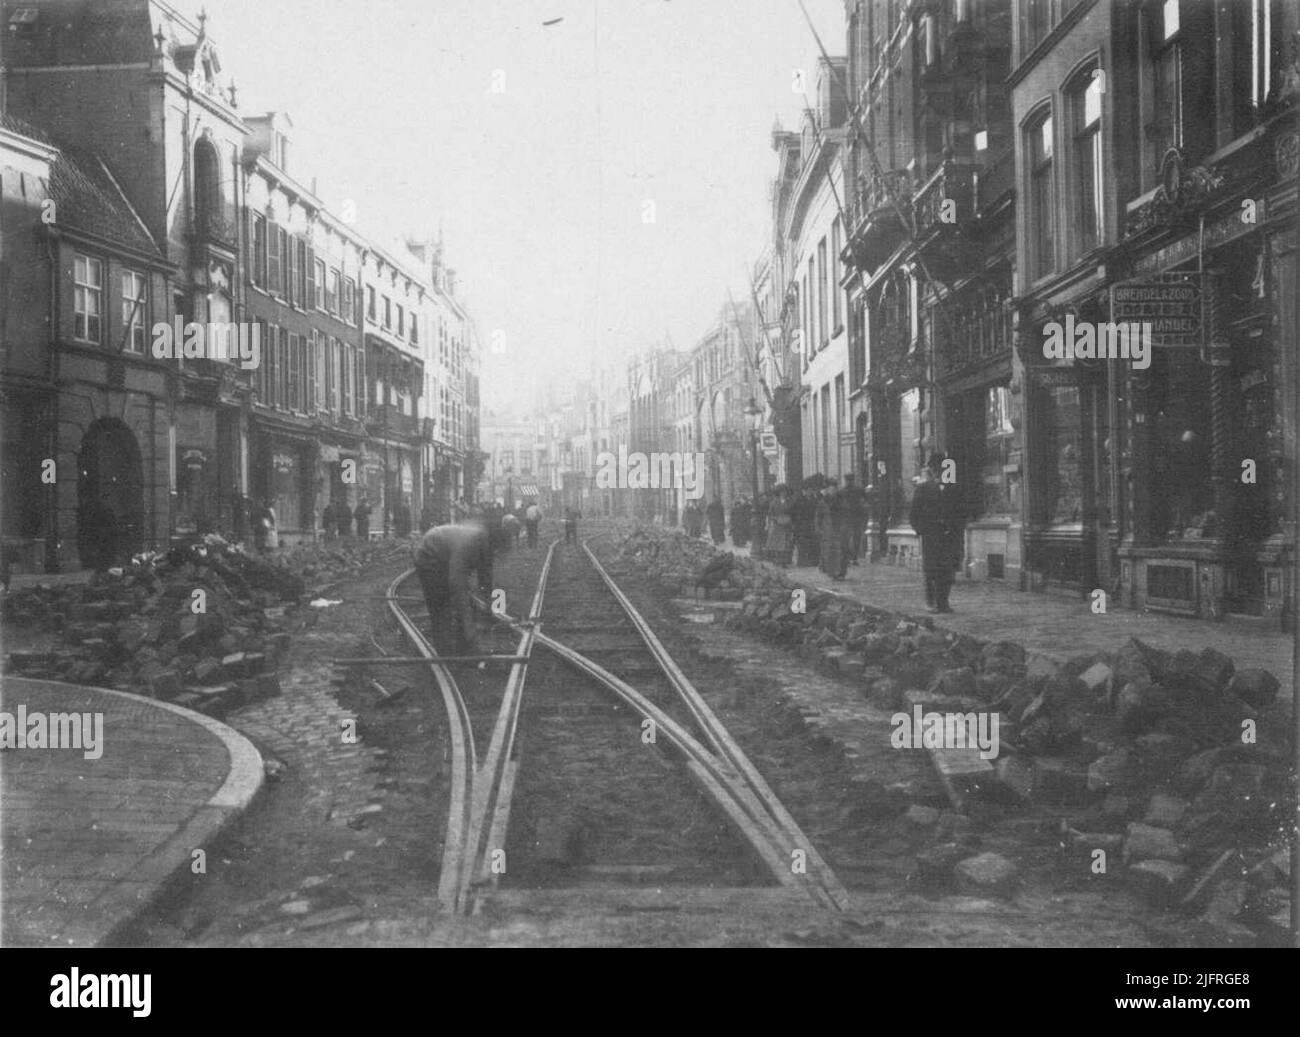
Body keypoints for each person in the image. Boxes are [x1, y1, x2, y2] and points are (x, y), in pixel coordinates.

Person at [412, 520, 495, 655]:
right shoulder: (469, 543)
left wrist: (493, 608)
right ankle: (446, 654)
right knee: (442, 608)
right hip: (429, 556)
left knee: (468, 606)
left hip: (445, 556)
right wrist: (471, 631)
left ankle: (465, 649)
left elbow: (486, 578)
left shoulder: (485, 545)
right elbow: (457, 584)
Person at [909, 452, 962, 613]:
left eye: (941, 467)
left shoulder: (952, 487)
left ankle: (943, 602)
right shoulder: (923, 488)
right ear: (931, 470)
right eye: (935, 468)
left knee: (947, 570)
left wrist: (956, 528)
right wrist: (922, 530)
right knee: (931, 569)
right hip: (931, 535)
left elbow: (960, 510)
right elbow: (914, 514)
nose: (938, 471)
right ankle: (930, 602)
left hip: (949, 534)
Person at [840, 474, 867, 565]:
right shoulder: (857, 490)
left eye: (849, 480)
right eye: (848, 480)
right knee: (853, 538)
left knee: (850, 539)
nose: (849, 482)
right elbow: (865, 501)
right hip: (852, 518)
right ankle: (852, 558)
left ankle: (851, 558)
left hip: (850, 518)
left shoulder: (843, 491)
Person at [764, 486, 794, 566]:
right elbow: (770, 514)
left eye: (785, 492)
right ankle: (777, 560)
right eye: (782, 492)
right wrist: (774, 520)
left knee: (786, 544)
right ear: (779, 493)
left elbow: (792, 512)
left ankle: (785, 561)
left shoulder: (789, 502)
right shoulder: (774, 502)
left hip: (787, 524)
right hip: (777, 525)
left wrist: (789, 520)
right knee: (777, 543)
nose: (784, 493)